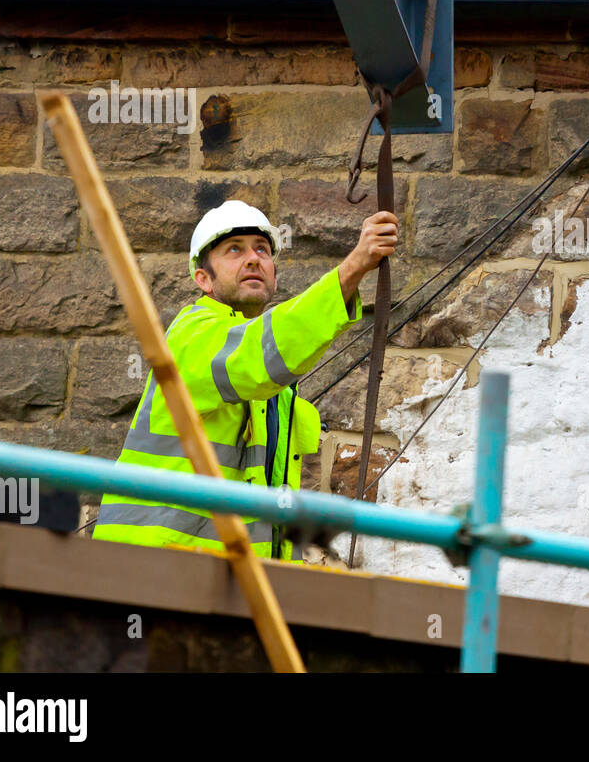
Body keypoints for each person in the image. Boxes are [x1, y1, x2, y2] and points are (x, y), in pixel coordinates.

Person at [92, 200, 398, 561]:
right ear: (202, 279)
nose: (253, 259)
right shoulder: (190, 336)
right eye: (234, 250)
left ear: (274, 275)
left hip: (224, 579)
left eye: (262, 250)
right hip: (150, 571)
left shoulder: (274, 389)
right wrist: (353, 269)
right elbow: (259, 354)